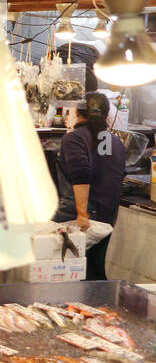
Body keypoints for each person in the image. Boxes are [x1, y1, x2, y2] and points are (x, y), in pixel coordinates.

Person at [52, 91, 125, 280]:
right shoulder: (116, 142)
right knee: (93, 272)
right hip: (106, 218)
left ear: (77, 113)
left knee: (67, 273)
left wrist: (82, 214)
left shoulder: (74, 138)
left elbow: (81, 173)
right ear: (107, 115)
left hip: (79, 218)